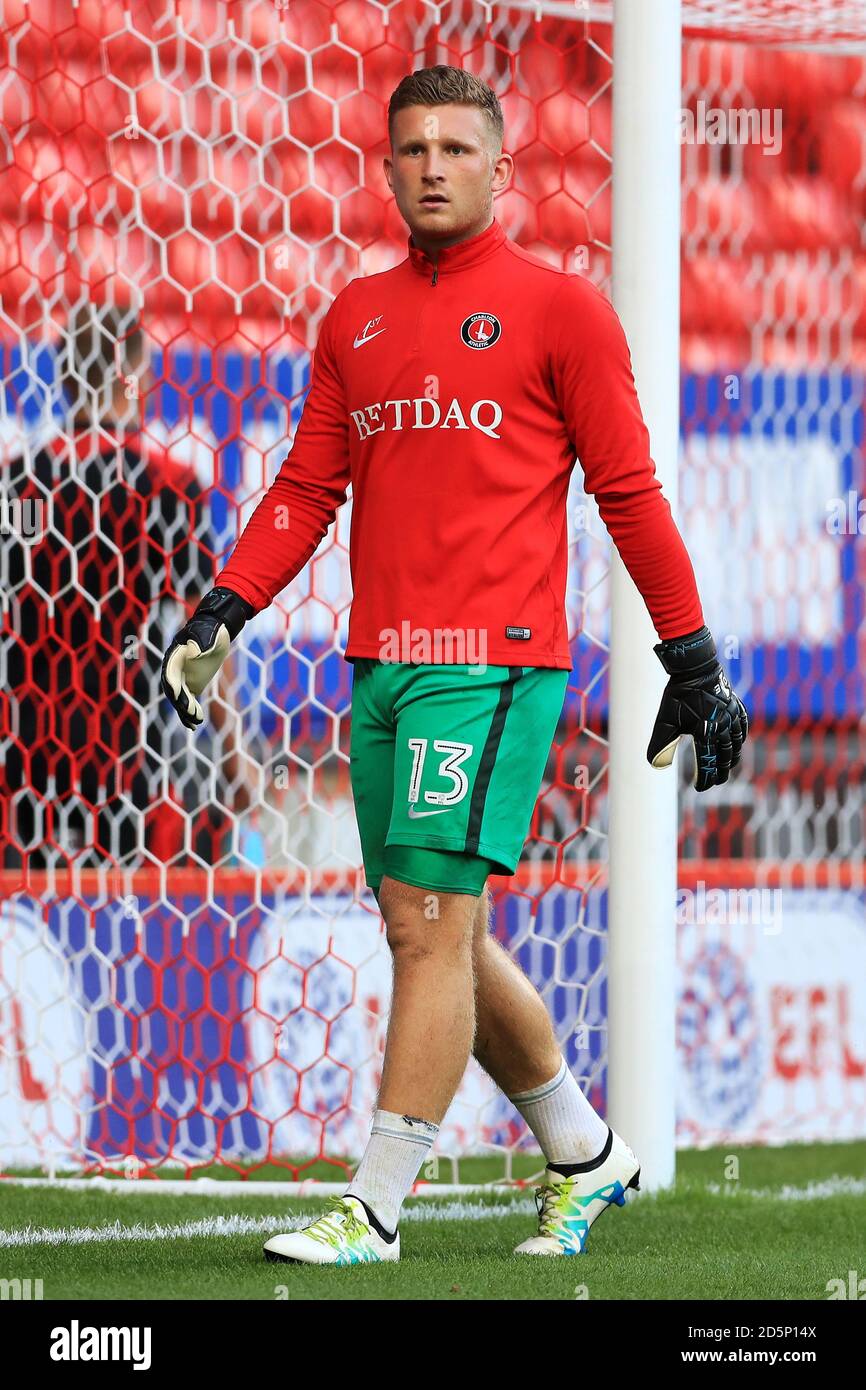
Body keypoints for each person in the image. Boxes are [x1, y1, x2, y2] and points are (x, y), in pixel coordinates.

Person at [161, 65, 748, 1264]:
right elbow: (306, 487)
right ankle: (585, 1154)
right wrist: (226, 602)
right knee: (438, 931)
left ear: (501, 170)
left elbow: (628, 490)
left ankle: (373, 1207)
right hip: (378, 667)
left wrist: (690, 659)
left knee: (429, 924)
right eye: (412, 147)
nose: (432, 165)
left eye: (455, 148)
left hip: (487, 667)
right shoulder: (353, 318)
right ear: (385, 167)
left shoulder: (560, 312)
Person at [1, 305, 232, 870]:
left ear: (63, 375)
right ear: (137, 373)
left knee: (30, 921)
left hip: (25, 745)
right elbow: (203, 634)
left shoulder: (17, 481)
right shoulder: (169, 485)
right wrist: (233, 755)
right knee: (119, 929)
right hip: (124, 747)